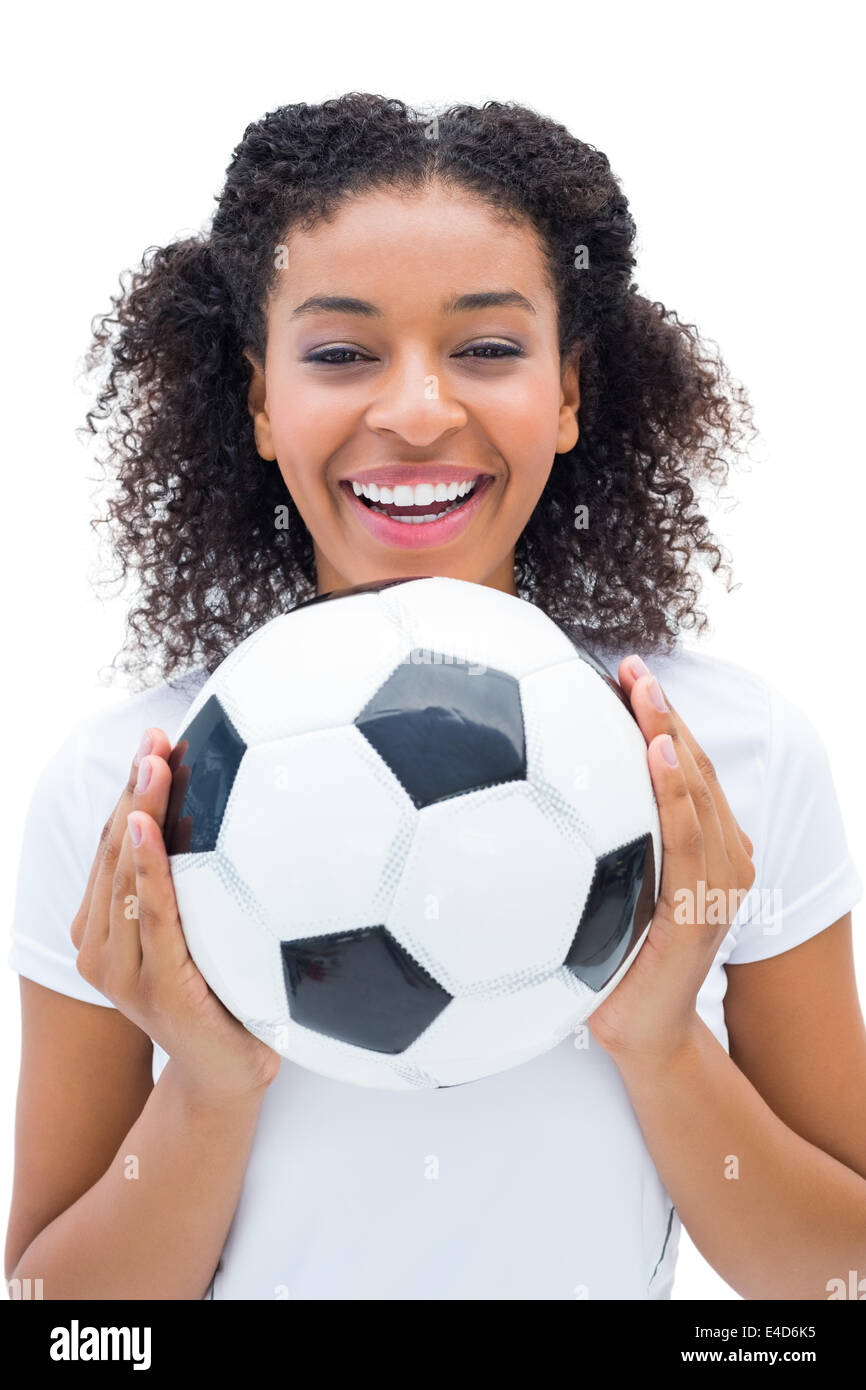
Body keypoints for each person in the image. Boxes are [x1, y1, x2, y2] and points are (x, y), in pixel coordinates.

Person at [6, 94, 865, 1301]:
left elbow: (833, 1284)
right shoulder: (127, 789)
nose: (416, 411)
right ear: (260, 401)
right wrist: (207, 1083)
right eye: (342, 353)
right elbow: (65, 1327)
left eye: (487, 348)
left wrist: (659, 1039)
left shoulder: (724, 761)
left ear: (568, 393)